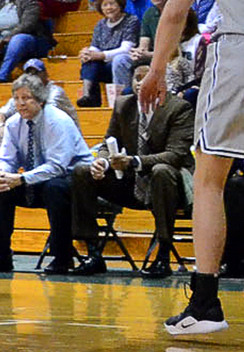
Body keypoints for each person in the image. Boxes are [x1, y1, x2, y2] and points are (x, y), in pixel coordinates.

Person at [138, 0, 244, 337]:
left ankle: (205, 303)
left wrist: (156, 69)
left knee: (209, 179)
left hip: (239, 53)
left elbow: (174, 11)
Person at [72, 61, 193, 278]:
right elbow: (107, 143)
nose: (140, 83)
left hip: (168, 185)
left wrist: (134, 161)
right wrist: (102, 163)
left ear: (162, 81)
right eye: (137, 77)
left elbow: (175, 155)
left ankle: (163, 256)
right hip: (130, 183)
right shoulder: (123, 105)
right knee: (83, 171)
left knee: (161, 171)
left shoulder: (179, 108)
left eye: (146, 77)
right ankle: (92, 253)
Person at [0, 73, 90, 273]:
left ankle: (63, 257)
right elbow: (6, 158)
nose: (20, 103)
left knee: (54, 188)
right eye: (16, 98)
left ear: (40, 100)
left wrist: (22, 178)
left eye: (26, 98)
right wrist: (1, 175)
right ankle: (0, 257)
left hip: (74, 180)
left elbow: (57, 167)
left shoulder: (58, 121)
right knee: (0, 190)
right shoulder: (13, 123)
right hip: (37, 178)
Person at [77, 0, 140, 106]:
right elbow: (95, 47)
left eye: (112, 4)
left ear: (120, 5)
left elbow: (126, 49)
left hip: (124, 62)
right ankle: (87, 96)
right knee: (89, 61)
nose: (109, 8)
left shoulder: (131, 20)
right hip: (105, 64)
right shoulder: (100, 24)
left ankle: (121, 102)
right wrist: (88, 53)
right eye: (105, 5)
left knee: (118, 59)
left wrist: (100, 55)